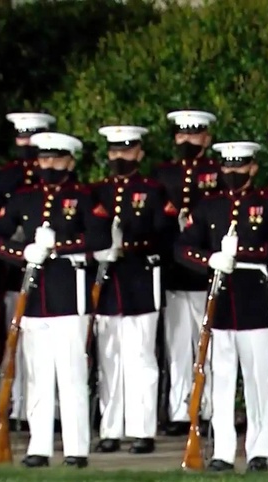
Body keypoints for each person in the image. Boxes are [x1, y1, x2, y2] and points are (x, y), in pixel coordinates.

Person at [0, 132, 112, 468]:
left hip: (68, 293)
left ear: (70, 161)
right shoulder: (24, 198)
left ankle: (75, 448)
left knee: (70, 373)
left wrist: (58, 247)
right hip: (33, 296)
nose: (49, 165)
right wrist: (21, 251)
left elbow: (99, 237)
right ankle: (38, 446)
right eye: (44, 159)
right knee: (37, 373)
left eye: (56, 159)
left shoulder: (83, 196)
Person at [174, 141, 268, 472]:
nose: (232, 173)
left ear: (253, 168)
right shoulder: (208, 206)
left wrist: (244, 255)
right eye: (227, 167)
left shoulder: (267, 205)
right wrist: (209, 258)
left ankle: (259, 451)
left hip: (254, 298)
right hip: (219, 301)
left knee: (257, 379)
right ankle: (222, 452)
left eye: (239, 167)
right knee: (220, 380)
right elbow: (182, 247)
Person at [90, 125, 171, 454]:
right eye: (114, 151)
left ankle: (142, 429)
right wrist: (101, 247)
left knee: (141, 358)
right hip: (109, 284)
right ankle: (110, 428)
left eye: (126, 150)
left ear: (139, 153)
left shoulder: (153, 190)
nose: (119, 157)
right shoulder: (98, 191)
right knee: (109, 359)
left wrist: (135, 244)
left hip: (139, 279)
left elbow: (166, 234)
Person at [153, 109, 222, 436]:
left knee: (208, 345)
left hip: (207, 272)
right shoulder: (163, 173)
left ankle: (208, 406)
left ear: (206, 139)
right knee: (178, 346)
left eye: (194, 135)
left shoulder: (218, 170)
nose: (187, 141)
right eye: (182, 135)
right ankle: (180, 411)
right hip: (175, 272)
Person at [0, 112, 54, 426]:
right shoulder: (6, 176)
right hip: (14, 270)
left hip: (50, 273)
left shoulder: (52, 180)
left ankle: (39, 408)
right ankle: (14, 405)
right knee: (13, 340)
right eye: (22, 137)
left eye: (33, 138)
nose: (26, 144)